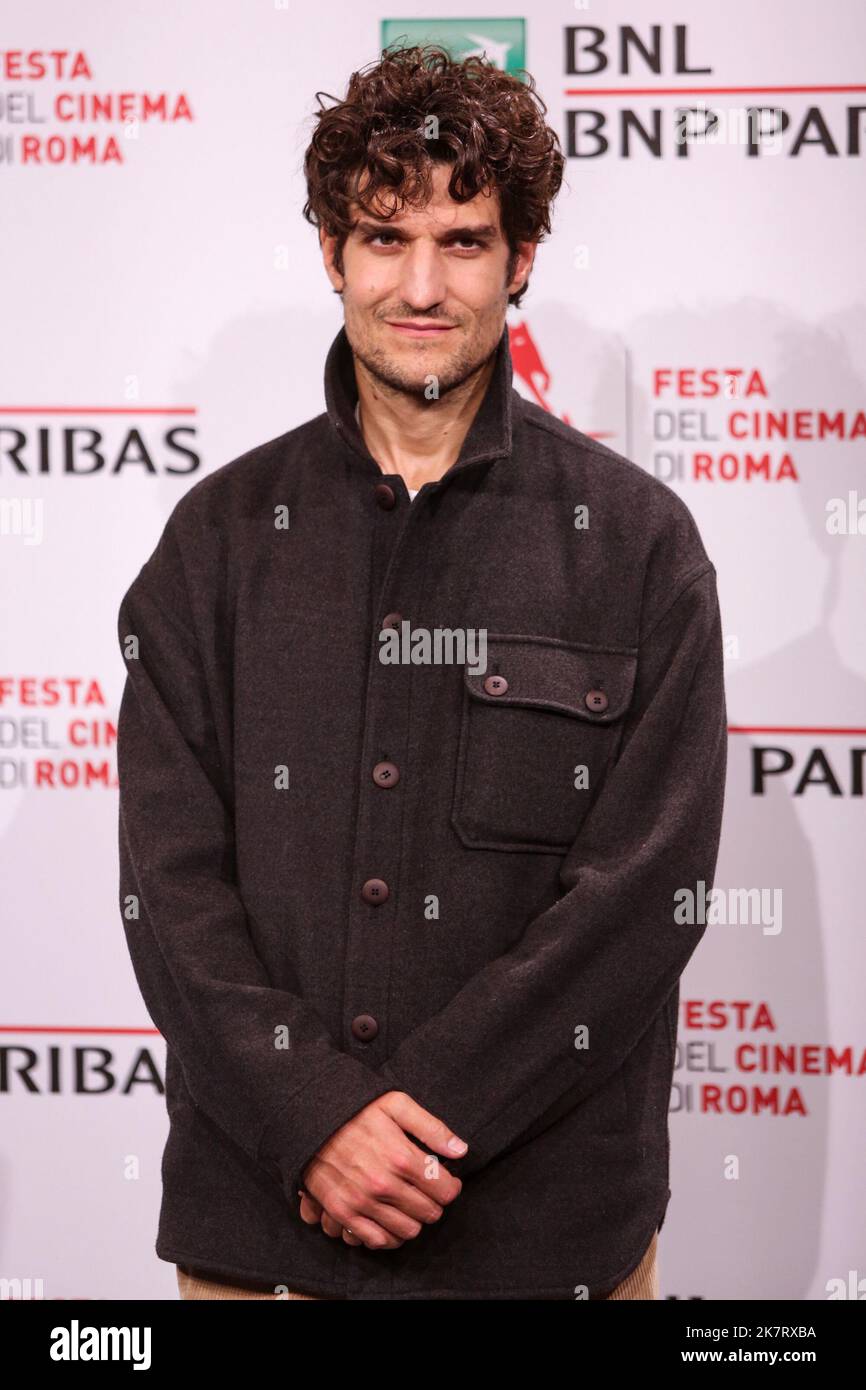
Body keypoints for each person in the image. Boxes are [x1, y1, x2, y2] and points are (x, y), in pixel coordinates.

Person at [116, 43, 726, 1301]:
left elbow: (638, 901)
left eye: (462, 239)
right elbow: (170, 890)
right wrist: (313, 1120)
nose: (420, 283)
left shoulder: (636, 546)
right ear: (332, 255)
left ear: (520, 263)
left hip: (547, 1235)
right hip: (264, 1229)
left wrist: (421, 1122)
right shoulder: (215, 542)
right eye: (384, 237)